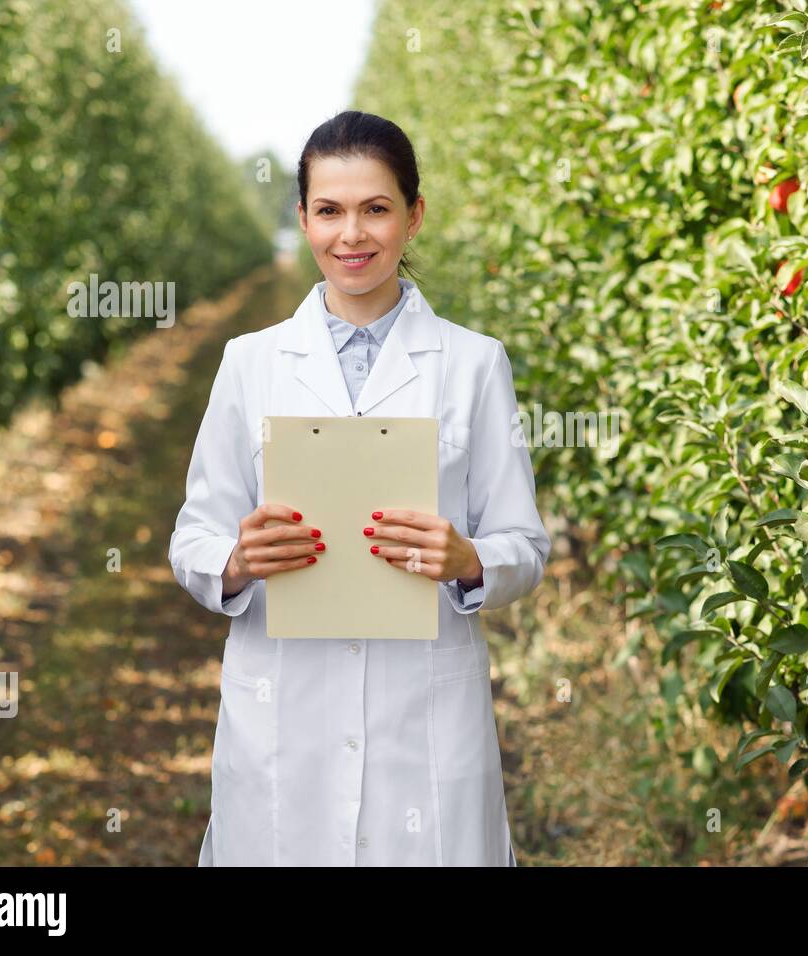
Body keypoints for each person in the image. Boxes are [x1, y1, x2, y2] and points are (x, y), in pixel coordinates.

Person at [168, 110, 551, 866]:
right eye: (330, 211)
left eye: (375, 209)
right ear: (304, 218)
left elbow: (525, 545)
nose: (353, 234)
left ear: (414, 217)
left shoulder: (474, 364)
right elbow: (194, 538)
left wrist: (468, 558)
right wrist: (238, 560)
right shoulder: (251, 362)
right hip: (285, 706)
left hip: (425, 712)